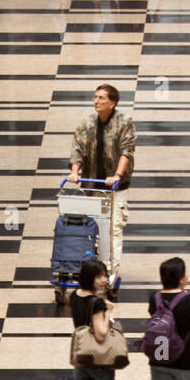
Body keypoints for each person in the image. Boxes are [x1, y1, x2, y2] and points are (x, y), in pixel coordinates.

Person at [67, 84, 135, 289]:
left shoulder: (124, 123)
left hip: (115, 187)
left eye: (101, 98)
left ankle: (111, 271)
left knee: (113, 228)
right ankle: (90, 269)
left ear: (112, 103)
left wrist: (117, 175)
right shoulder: (87, 123)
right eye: (95, 97)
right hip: (91, 184)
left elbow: (126, 151)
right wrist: (74, 171)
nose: (96, 101)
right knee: (90, 227)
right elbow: (77, 149)